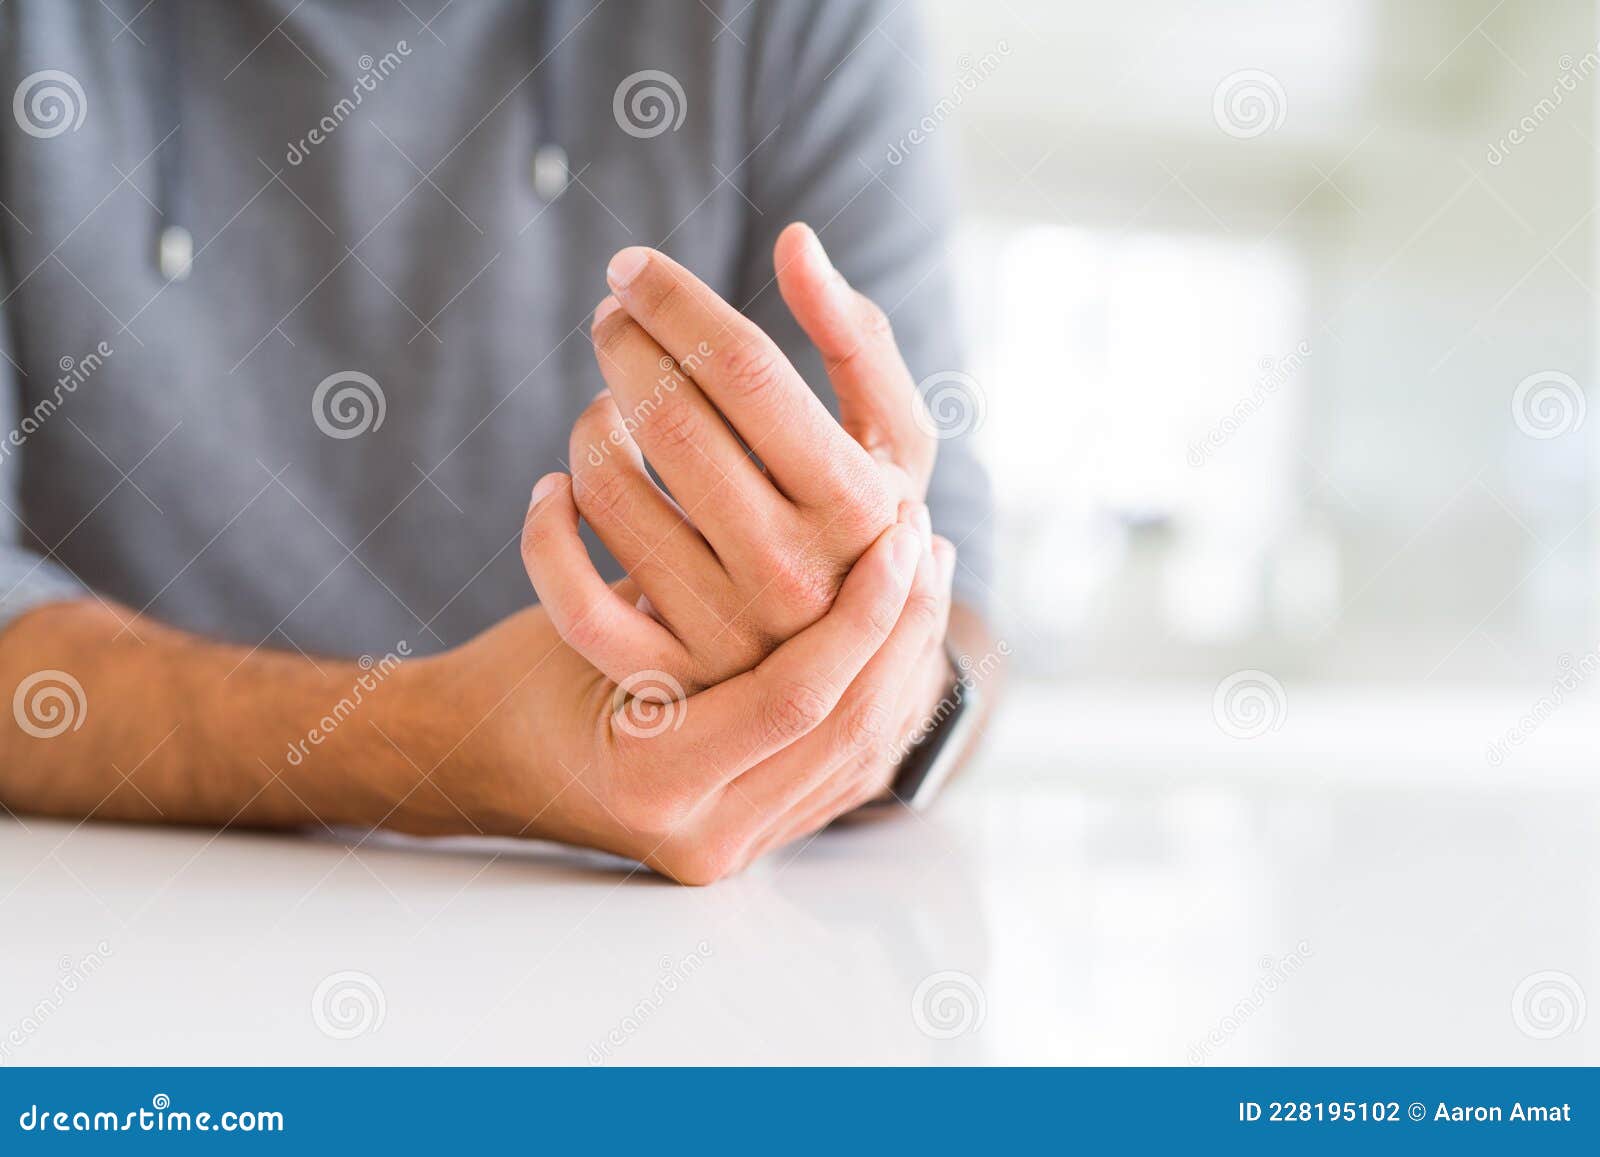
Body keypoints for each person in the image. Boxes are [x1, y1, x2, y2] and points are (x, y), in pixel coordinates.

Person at [0, 0, 995, 883]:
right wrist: (451, 744)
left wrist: (876, 673)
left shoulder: (801, 18)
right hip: (129, 930)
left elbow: (960, 622)